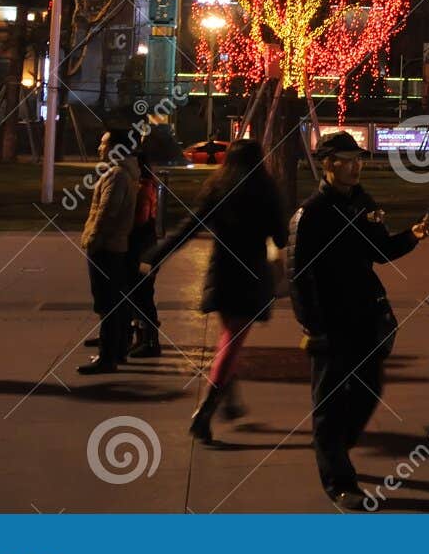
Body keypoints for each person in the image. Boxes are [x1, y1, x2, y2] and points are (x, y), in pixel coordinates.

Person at [288, 131, 429, 511]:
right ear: (328, 163)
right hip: (330, 322)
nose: (356, 166)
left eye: (358, 159)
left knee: (368, 391)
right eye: (347, 160)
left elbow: (379, 251)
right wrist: (312, 326)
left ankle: (335, 446)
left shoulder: (363, 204)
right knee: (329, 403)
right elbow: (299, 274)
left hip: (366, 315)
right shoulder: (311, 213)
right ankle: (338, 479)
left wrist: (411, 236)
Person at [141, 139, 287, 444]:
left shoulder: (218, 189)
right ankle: (206, 411)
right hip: (250, 275)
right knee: (232, 342)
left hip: (221, 272)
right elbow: (281, 237)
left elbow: (188, 226)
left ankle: (230, 400)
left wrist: (156, 256)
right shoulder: (266, 191)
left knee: (228, 339)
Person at [78, 129, 139, 375]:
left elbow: (107, 212)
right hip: (114, 245)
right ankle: (116, 351)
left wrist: (93, 238)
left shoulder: (116, 175)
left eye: (104, 143)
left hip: (106, 246)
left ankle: (108, 357)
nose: (99, 148)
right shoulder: (124, 172)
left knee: (107, 303)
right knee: (114, 301)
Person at [125, 149, 163, 359]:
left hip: (142, 250)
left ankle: (150, 341)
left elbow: (139, 219)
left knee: (143, 295)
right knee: (139, 295)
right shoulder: (147, 185)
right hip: (144, 247)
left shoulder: (143, 188)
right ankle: (143, 339)